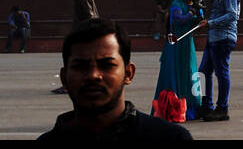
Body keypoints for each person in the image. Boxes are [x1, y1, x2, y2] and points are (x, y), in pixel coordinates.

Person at [38, 18, 192, 142]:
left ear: (128, 73)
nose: (93, 75)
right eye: (81, 66)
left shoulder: (171, 138)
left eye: (107, 65)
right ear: (64, 78)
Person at [196, 0, 240, 121]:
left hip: (223, 37)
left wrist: (211, 23)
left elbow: (232, 15)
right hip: (214, 36)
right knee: (202, 72)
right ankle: (206, 106)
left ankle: (223, 108)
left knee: (221, 72)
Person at [151, 0, 201, 121]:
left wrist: (200, 12)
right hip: (175, 46)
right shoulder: (176, 4)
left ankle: (191, 109)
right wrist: (193, 12)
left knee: (190, 74)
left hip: (187, 44)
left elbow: (196, 23)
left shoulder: (193, 4)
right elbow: (180, 19)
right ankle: (172, 110)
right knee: (173, 77)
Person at [53, 0, 98, 93]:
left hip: (85, 35)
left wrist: (83, 34)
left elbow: (89, 17)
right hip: (85, 34)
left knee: (71, 58)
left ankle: (69, 86)